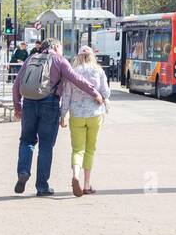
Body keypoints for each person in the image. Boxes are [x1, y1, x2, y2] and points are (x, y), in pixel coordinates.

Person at [12, 39, 103, 196]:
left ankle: (23, 172)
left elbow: (16, 84)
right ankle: (42, 187)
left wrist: (17, 107)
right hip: (50, 104)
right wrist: (94, 92)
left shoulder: (30, 59)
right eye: (60, 48)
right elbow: (76, 79)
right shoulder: (59, 60)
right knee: (46, 146)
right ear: (54, 47)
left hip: (29, 103)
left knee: (27, 140)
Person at [62, 45, 111, 197]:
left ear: (78, 56)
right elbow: (106, 92)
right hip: (95, 114)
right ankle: (86, 184)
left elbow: (67, 95)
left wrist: (63, 114)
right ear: (92, 56)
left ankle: (75, 175)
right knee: (90, 149)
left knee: (78, 149)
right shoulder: (98, 70)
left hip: (76, 114)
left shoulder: (73, 72)